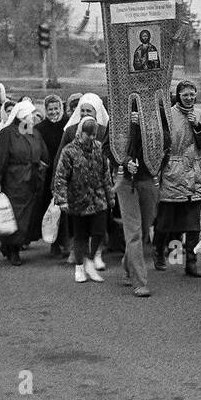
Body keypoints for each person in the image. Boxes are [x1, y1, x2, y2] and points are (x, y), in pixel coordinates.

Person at [154, 80, 201, 277]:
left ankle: (190, 262)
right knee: (167, 221)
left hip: (195, 174)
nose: (189, 98)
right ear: (178, 96)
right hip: (173, 173)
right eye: (185, 94)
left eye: (192, 94)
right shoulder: (168, 115)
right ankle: (161, 252)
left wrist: (197, 126)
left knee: (192, 224)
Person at [52, 117, 116, 284]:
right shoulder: (69, 151)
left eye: (94, 134)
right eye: (89, 135)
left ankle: (90, 259)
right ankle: (80, 267)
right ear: (80, 133)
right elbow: (61, 177)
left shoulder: (100, 148)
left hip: (98, 198)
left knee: (99, 232)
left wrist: (110, 197)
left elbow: (106, 175)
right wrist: (62, 200)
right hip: (77, 200)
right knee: (80, 235)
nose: (92, 138)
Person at [0, 100, 49, 266]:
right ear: (22, 116)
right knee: (15, 216)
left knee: (28, 217)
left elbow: (42, 151)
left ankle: (14, 244)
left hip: (32, 180)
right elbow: (0, 157)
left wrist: (43, 163)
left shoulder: (31, 131)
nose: (33, 117)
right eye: (30, 115)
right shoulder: (7, 133)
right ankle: (12, 248)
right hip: (14, 180)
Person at [115, 100, 160, 297]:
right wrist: (125, 162)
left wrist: (143, 127)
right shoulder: (118, 116)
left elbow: (166, 141)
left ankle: (128, 264)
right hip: (127, 182)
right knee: (134, 232)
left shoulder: (156, 114)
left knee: (143, 229)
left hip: (148, 179)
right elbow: (109, 147)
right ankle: (140, 282)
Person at [33, 95, 69, 251]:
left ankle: (65, 242)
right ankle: (54, 241)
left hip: (66, 171)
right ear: (45, 110)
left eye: (56, 108)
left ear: (61, 108)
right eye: (50, 109)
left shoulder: (67, 124)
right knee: (51, 208)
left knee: (65, 208)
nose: (53, 112)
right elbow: (31, 143)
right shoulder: (39, 128)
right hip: (48, 173)